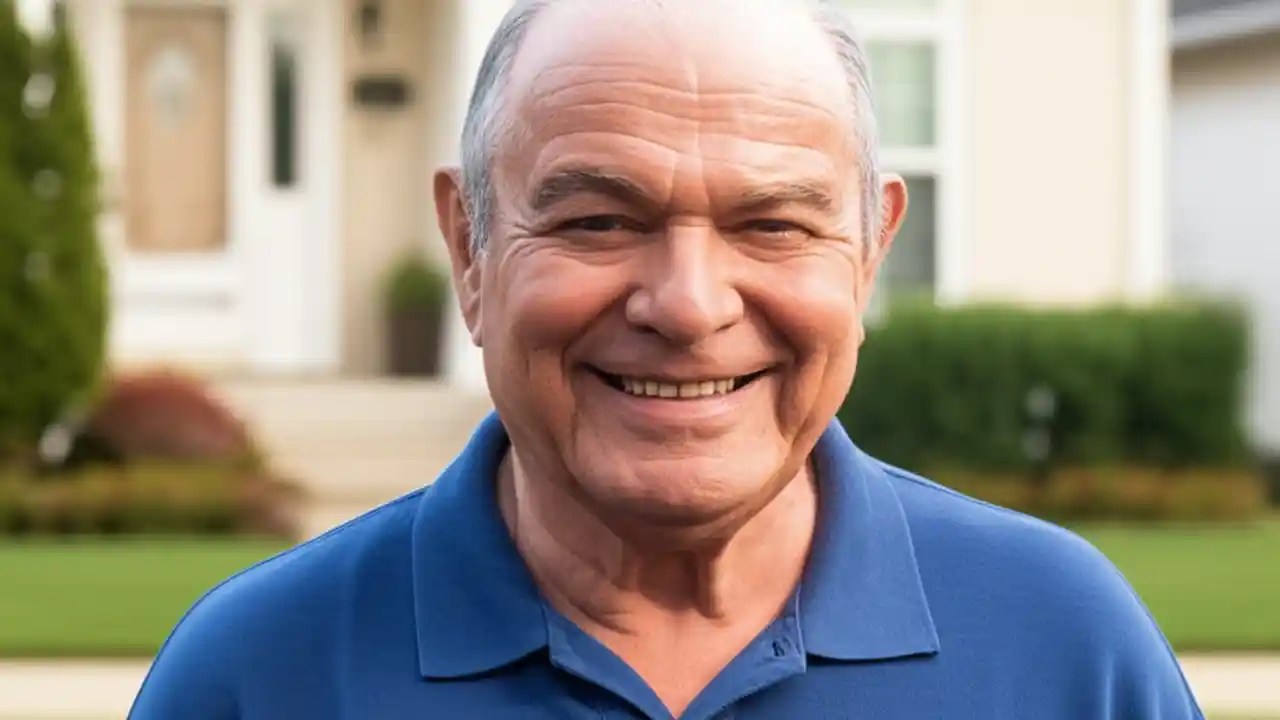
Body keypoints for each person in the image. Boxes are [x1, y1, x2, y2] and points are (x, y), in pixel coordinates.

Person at [129, 0, 1205, 717]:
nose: (687, 306)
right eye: (597, 220)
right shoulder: (258, 675)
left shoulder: (1064, 652)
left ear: (870, 254)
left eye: (773, 224)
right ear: (469, 248)